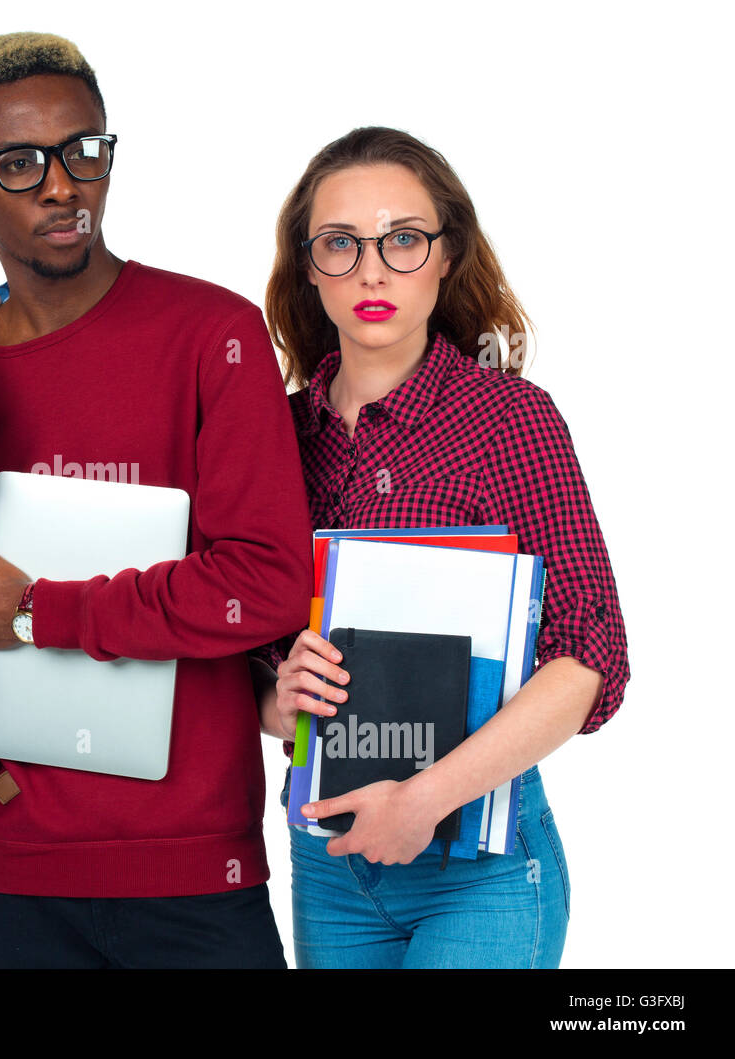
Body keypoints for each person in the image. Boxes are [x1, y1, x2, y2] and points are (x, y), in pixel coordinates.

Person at [0, 32, 312, 970]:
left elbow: (267, 583)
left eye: (84, 151)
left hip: (194, 860)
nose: (62, 186)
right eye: (19, 164)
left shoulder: (214, 335)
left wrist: (37, 610)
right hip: (17, 856)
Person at [251, 127, 630, 968]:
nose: (373, 269)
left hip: (479, 866)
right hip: (328, 858)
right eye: (340, 244)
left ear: (446, 254)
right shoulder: (272, 435)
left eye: (404, 239)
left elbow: (592, 655)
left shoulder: (510, 421)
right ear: (309, 267)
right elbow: (237, 651)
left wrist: (425, 799)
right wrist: (277, 702)